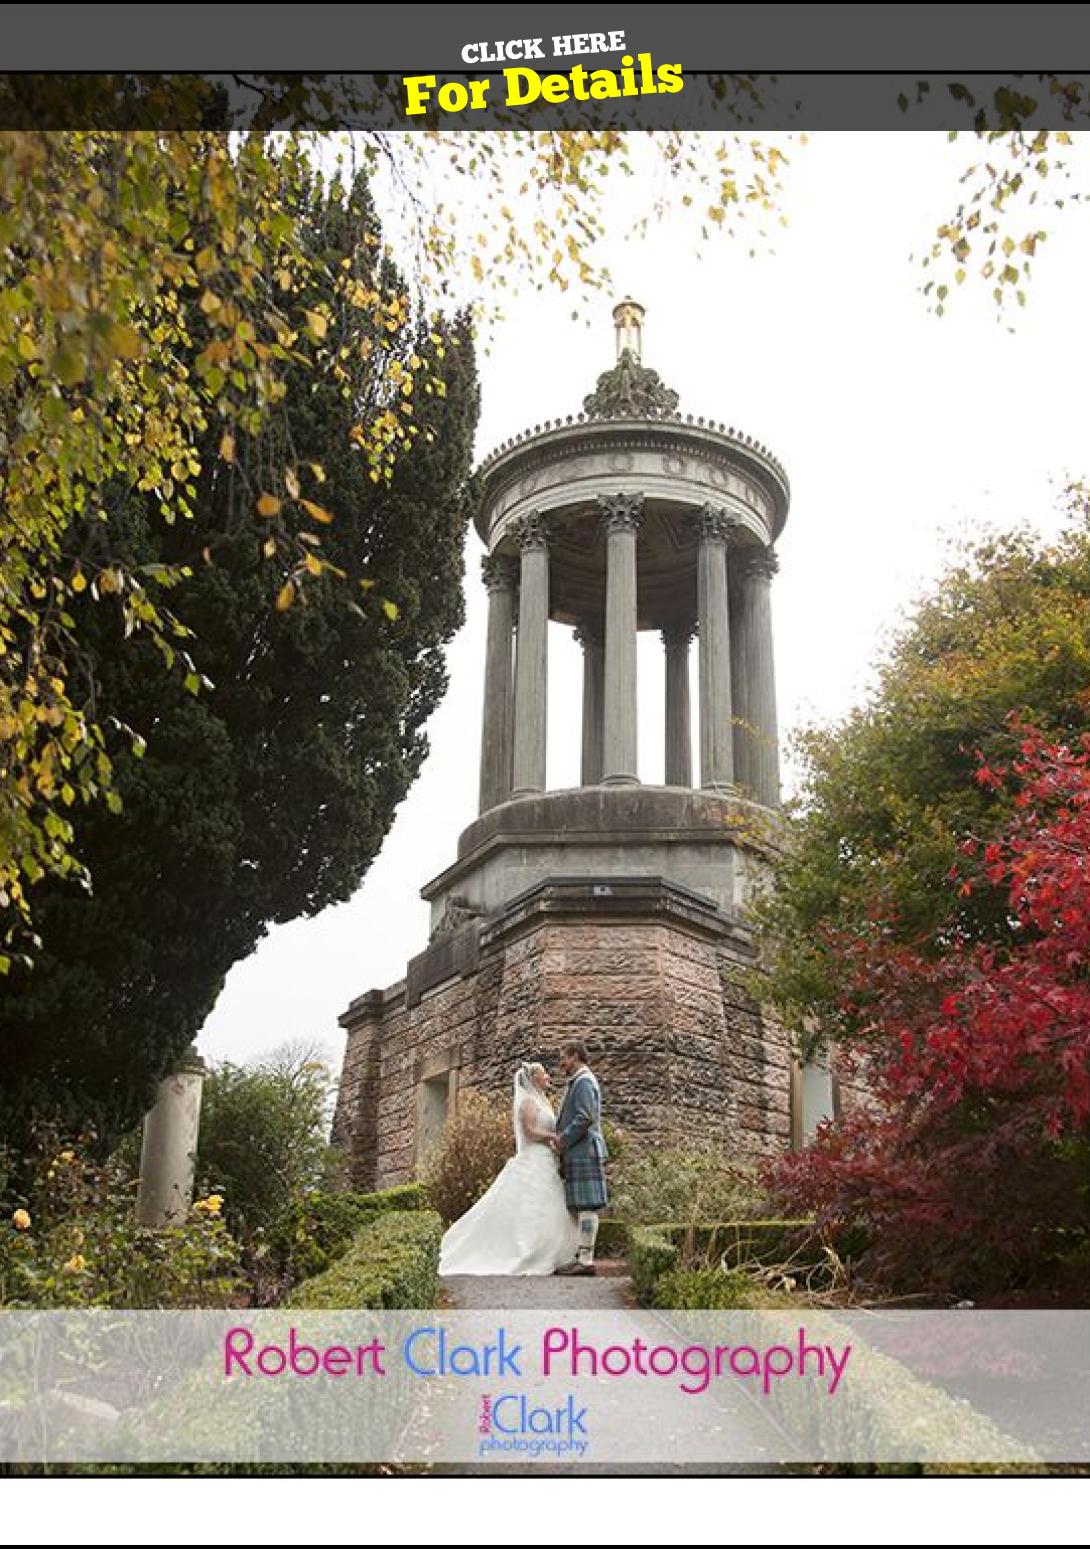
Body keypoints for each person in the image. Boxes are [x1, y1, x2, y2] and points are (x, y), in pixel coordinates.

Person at [437, 1060, 580, 1276]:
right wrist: (553, 1137)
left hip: (546, 1160)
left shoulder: (543, 1101)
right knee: (530, 1206)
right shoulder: (528, 1103)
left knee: (546, 1206)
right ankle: (527, 1251)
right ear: (534, 1079)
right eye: (544, 1074)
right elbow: (530, 1131)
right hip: (533, 1158)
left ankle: (552, 1252)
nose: (548, 1077)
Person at [550, 1040, 609, 1277]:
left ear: (575, 1056)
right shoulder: (579, 1081)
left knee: (587, 1207)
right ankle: (583, 1256)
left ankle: (585, 1261)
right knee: (582, 1207)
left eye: (563, 1057)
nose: (561, 1063)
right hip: (581, 1150)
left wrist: (563, 1139)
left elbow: (584, 1118)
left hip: (584, 1150)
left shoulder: (584, 1082)